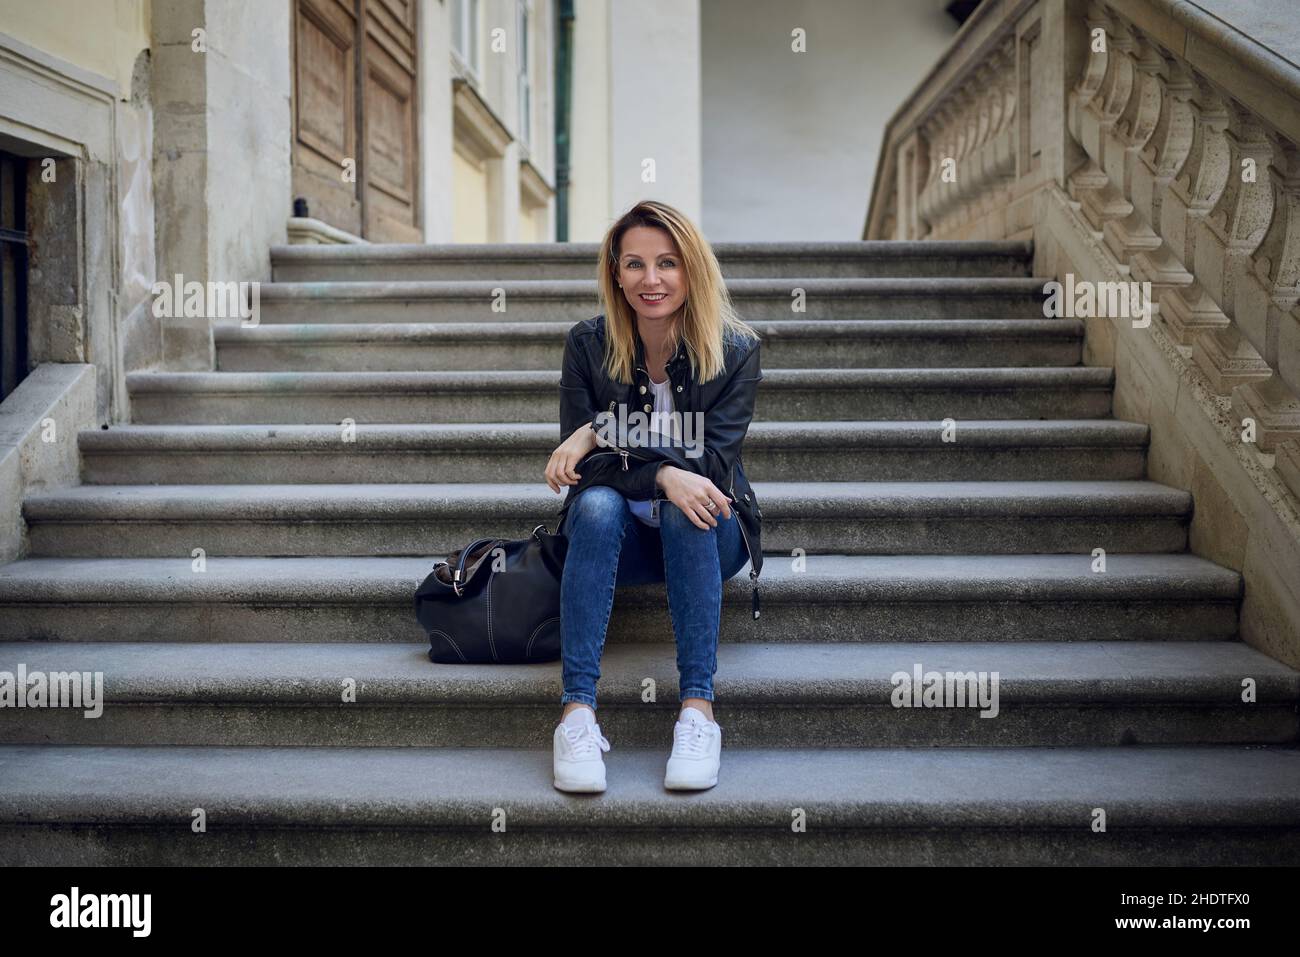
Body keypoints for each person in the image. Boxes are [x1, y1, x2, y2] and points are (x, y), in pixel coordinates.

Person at [544, 199, 764, 793]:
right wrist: (664, 471)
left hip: (706, 535)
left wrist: (601, 430)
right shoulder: (587, 346)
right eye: (635, 264)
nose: (652, 280)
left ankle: (698, 711)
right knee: (596, 504)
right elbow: (583, 476)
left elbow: (713, 466)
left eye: (667, 263)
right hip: (617, 542)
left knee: (687, 505)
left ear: (691, 268)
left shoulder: (737, 351)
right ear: (615, 272)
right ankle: (576, 715)